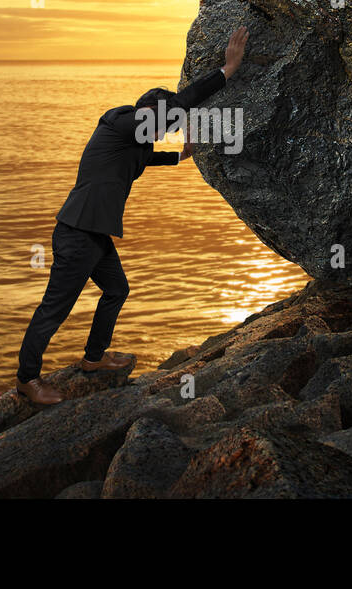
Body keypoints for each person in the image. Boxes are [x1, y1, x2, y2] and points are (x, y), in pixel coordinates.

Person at [14, 25, 250, 404]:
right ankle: (27, 379)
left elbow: (156, 156)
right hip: (77, 232)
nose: (160, 131)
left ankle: (93, 358)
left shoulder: (135, 144)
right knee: (54, 308)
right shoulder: (119, 121)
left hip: (94, 235)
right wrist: (227, 70)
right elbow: (174, 109)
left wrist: (181, 152)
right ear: (145, 112)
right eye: (159, 123)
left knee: (117, 289)